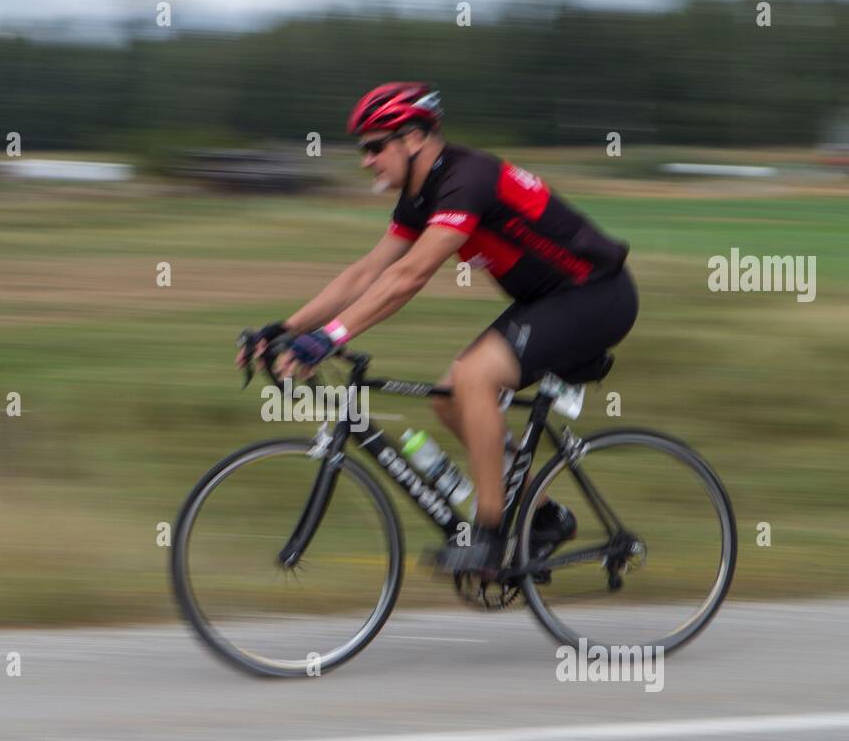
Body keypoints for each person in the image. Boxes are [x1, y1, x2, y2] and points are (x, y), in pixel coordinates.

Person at [238, 82, 638, 578]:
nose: (366, 160)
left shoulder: (468, 180)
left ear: (413, 138)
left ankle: (490, 541)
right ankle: (544, 515)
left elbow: (410, 275)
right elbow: (367, 272)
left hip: (596, 295)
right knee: (451, 398)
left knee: (475, 377)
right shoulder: (419, 195)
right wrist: (287, 327)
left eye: (374, 146)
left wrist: (330, 339)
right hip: (549, 300)